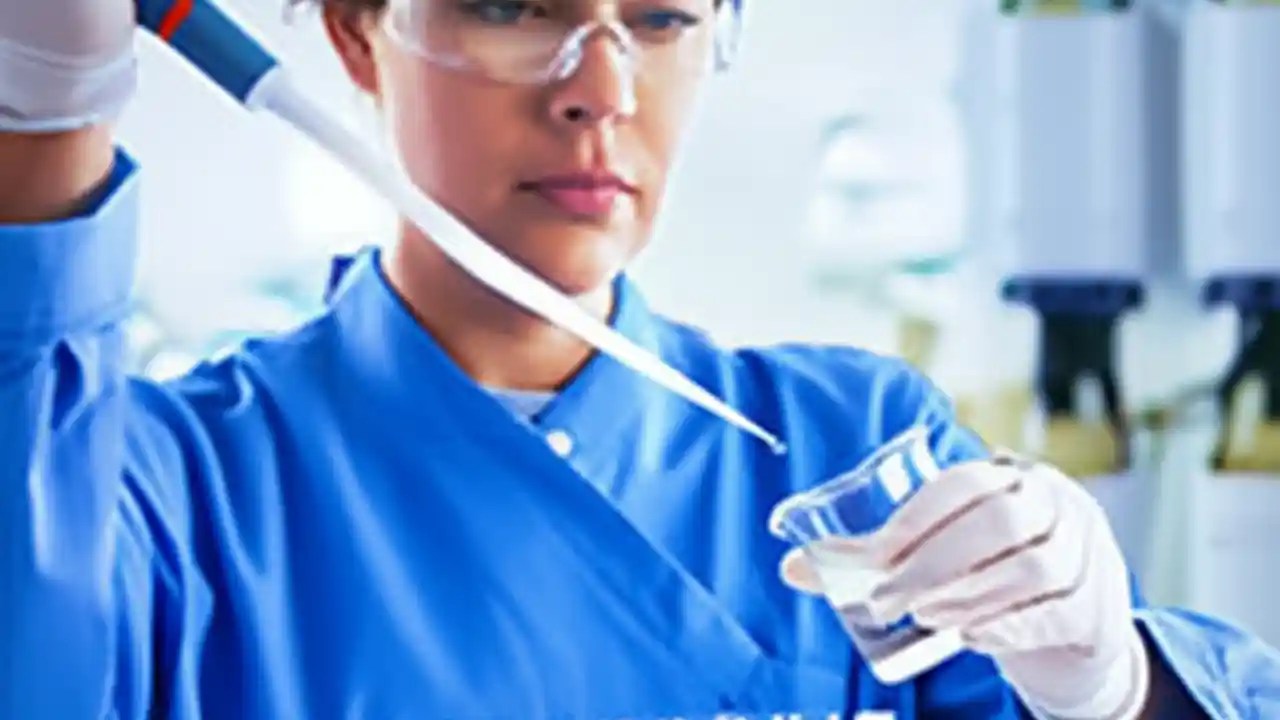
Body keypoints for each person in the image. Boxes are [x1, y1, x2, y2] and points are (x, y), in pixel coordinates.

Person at [0, 0, 1276, 717]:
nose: (599, 87)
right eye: (515, 7)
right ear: (353, 36)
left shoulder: (846, 441)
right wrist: (41, 121)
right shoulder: (182, 487)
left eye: (659, 18)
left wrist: (1116, 690)